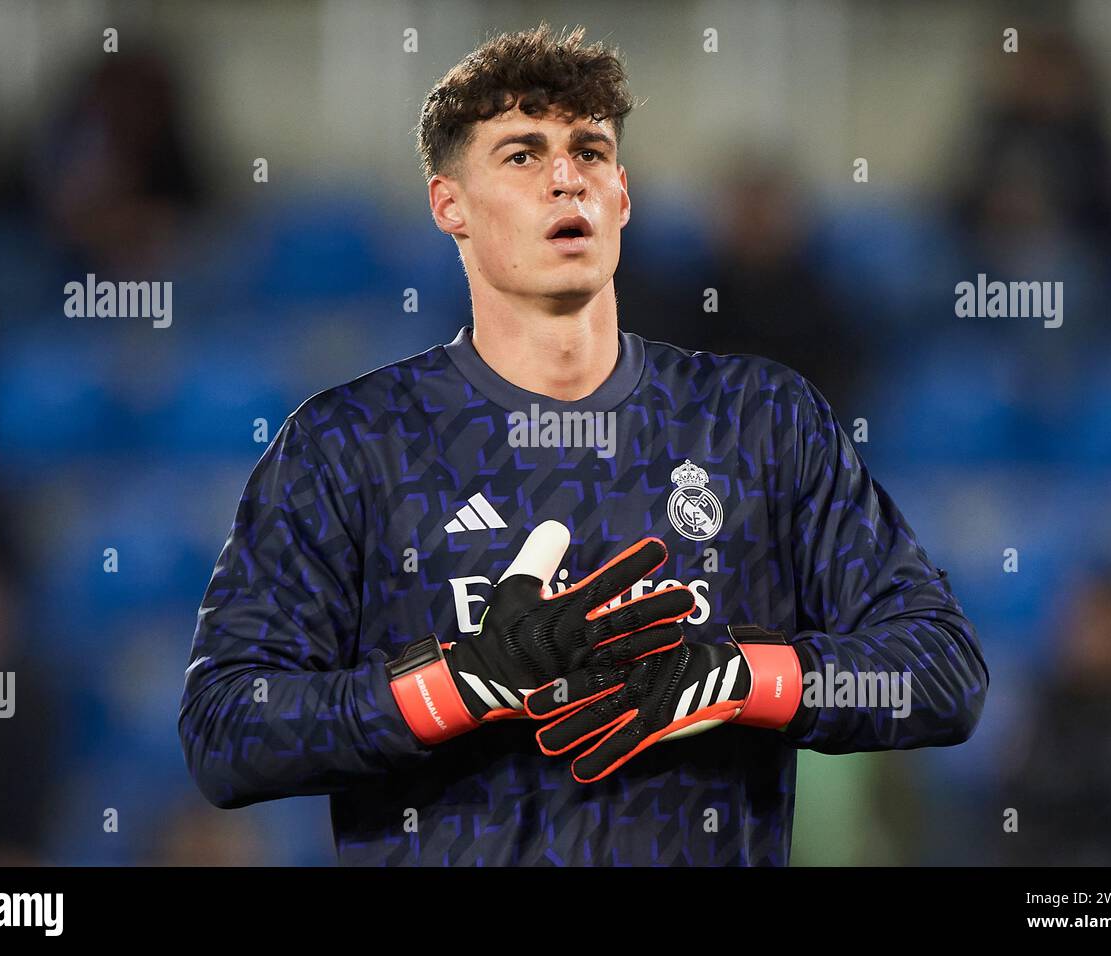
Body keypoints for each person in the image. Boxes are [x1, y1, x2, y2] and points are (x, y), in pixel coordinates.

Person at [179, 23, 987, 866]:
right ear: (448, 203)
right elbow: (227, 728)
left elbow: (939, 675)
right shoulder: (349, 445)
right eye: (522, 155)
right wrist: (460, 683)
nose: (567, 178)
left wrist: (735, 679)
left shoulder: (760, 421)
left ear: (624, 196)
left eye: (590, 151)